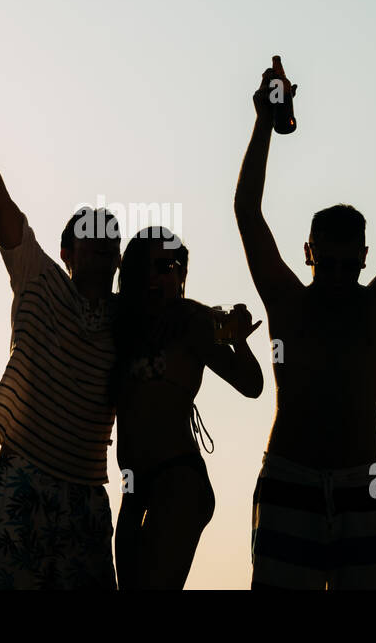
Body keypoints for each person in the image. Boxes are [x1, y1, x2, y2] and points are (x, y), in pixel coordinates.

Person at [234, 60, 376, 589]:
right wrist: (263, 120)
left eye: (345, 265)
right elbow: (247, 211)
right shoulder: (289, 303)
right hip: (290, 477)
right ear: (308, 252)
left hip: (359, 484)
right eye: (324, 264)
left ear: (364, 258)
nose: (333, 276)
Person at [0, 64, 121, 590]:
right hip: (24, 473)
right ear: (67, 251)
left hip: (87, 487)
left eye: (111, 240)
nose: (103, 247)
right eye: (90, 238)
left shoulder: (126, 315)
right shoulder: (38, 276)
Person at [112, 227, 263, 589]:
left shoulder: (193, 321)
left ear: (181, 274)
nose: (154, 277)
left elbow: (252, 384)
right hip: (133, 490)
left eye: (165, 266)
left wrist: (239, 340)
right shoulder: (119, 320)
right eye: (143, 268)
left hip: (178, 478)